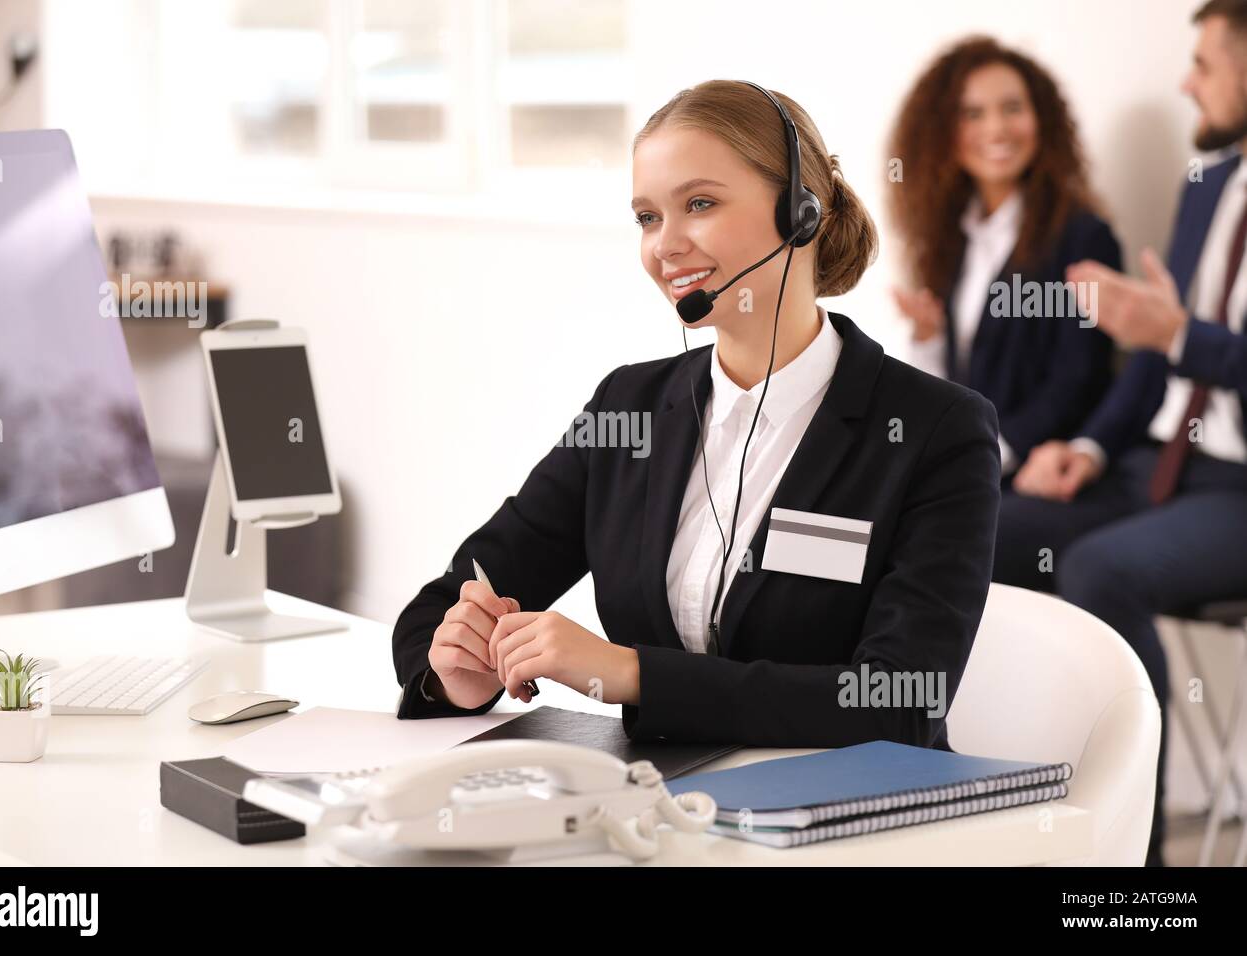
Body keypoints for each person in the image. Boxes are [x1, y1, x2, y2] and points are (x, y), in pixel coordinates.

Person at [392, 79, 1001, 751]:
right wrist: (456, 674)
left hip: (844, 826)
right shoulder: (629, 409)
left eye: (700, 204)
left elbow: (901, 699)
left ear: (801, 212)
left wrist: (630, 673)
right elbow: (440, 608)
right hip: (661, 812)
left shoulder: (938, 431)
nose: (666, 245)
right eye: (648, 218)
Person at [994, 0, 1247, 866]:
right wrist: (1089, 448)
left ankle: (1131, 852)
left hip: (1237, 493)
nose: (1188, 81)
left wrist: (1177, 336)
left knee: (1099, 567)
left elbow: (1177, 338)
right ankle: (989, 809)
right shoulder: (1209, 181)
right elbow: (1149, 357)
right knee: (979, 523)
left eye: (1206, 64)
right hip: (1156, 466)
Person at [887, 36, 1121, 481]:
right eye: (972, 114)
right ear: (943, 134)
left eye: (1013, 108)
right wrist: (929, 338)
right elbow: (957, 390)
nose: (996, 129)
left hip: (1033, 467)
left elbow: (1078, 377)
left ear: (1042, 119)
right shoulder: (953, 238)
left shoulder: (1082, 237)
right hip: (969, 463)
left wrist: (987, 456)